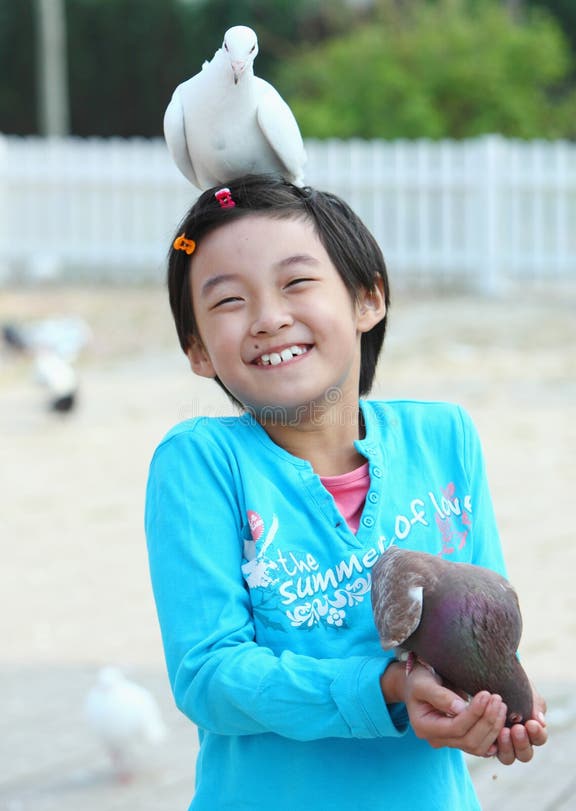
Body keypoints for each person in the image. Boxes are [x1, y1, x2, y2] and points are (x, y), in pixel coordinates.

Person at [145, 174, 547, 811]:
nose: (269, 318)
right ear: (197, 349)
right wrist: (386, 687)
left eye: (296, 283)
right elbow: (209, 675)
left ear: (367, 299)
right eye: (229, 300)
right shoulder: (201, 463)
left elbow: (487, 619)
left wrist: (491, 706)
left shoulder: (444, 438)